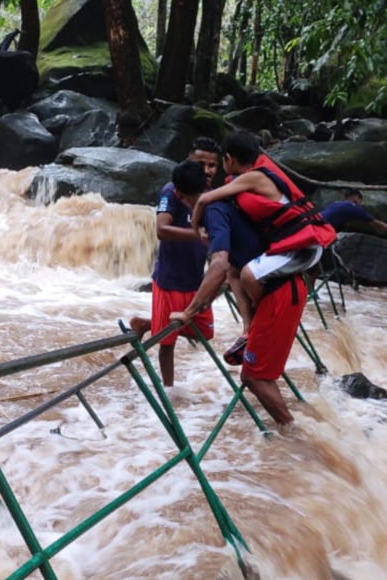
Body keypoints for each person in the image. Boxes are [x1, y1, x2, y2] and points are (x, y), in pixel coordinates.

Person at [190, 131, 336, 364]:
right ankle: (249, 329)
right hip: (293, 244)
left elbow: (203, 200)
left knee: (249, 275)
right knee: (234, 271)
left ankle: (262, 322)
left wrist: (196, 227)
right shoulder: (251, 175)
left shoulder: (254, 177)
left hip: (305, 247)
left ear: (228, 159)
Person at [169, 189, 306, 426]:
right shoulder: (230, 205)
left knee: (253, 376)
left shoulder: (213, 211)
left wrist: (189, 312)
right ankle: (298, 437)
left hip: (279, 295)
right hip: (288, 287)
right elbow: (230, 271)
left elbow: (219, 264)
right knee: (261, 373)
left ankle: (295, 433)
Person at [127, 159, 217, 390]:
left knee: (204, 334)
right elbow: (161, 230)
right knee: (167, 342)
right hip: (170, 279)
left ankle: (149, 324)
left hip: (196, 277)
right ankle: (169, 388)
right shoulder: (170, 192)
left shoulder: (206, 193)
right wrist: (197, 234)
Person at [318, 190, 387, 238]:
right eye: (360, 201)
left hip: (313, 220)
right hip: (321, 227)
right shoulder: (354, 207)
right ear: (356, 197)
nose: (360, 204)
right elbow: (377, 223)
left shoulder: (336, 203)